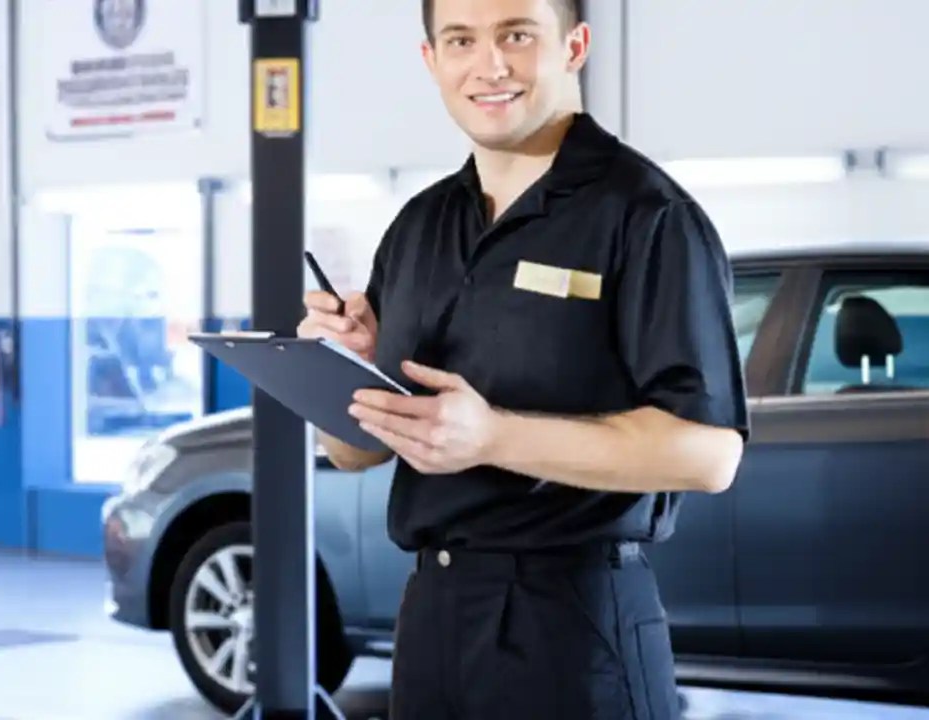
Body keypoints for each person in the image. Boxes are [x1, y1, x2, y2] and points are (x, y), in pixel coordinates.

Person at [295, 0, 749, 718]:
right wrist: (351, 369)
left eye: (516, 35)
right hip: (433, 619)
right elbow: (357, 457)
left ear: (575, 46)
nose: (490, 64)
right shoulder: (418, 226)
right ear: (431, 60)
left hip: (574, 626)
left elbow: (710, 455)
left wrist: (493, 437)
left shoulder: (646, 215)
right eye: (461, 40)